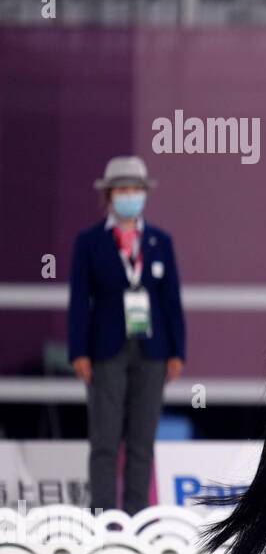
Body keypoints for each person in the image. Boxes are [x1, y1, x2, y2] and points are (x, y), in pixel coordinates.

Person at [68, 156, 185, 515]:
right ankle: (101, 516)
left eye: (135, 189)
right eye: (122, 190)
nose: (129, 196)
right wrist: (79, 352)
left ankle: (136, 519)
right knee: (105, 437)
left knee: (142, 439)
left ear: (144, 194)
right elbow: (78, 302)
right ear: (109, 195)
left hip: (152, 349)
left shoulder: (159, 241)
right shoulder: (89, 242)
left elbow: (171, 300)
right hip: (105, 349)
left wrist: (177, 351)